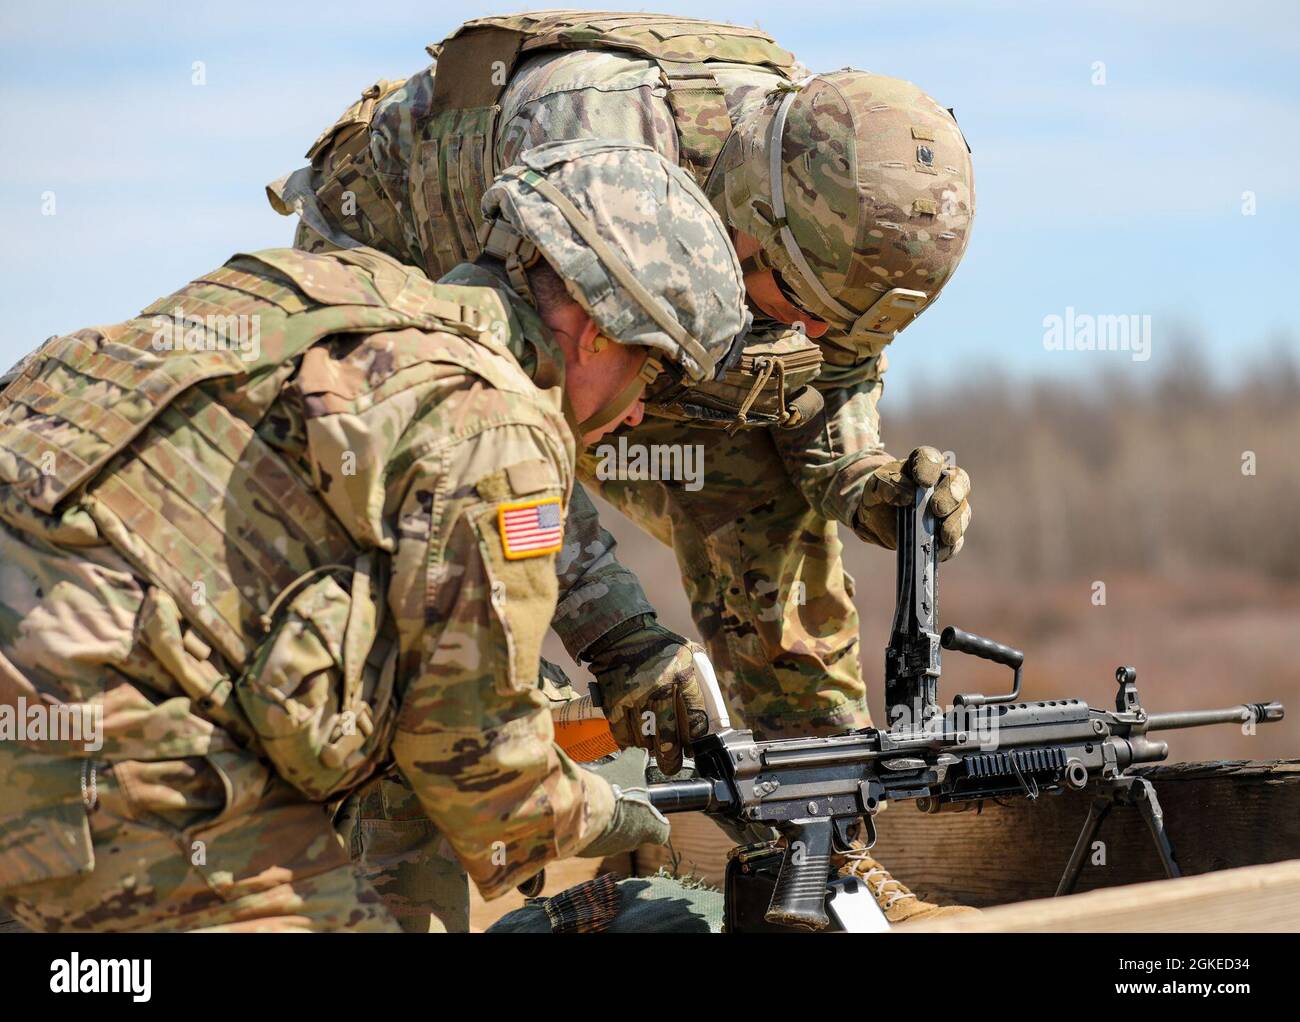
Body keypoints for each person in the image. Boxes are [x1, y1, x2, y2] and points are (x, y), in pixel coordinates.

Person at [269, 11, 977, 924]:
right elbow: (503, 435)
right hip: (409, 276)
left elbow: (818, 372)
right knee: (437, 572)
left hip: (600, 321)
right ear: (752, 223)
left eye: (828, 323)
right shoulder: (586, 139)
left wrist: (858, 479)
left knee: (765, 516)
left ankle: (821, 848)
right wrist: (626, 646)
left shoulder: (824, 223)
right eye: (795, 306)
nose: (805, 336)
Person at [0, 140, 748, 931]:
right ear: (598, 329)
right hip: (102, 746)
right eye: (655, 372)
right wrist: (629, 809)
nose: (637, 413)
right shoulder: (496, 422)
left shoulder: (325, 293)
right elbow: (485, 779)